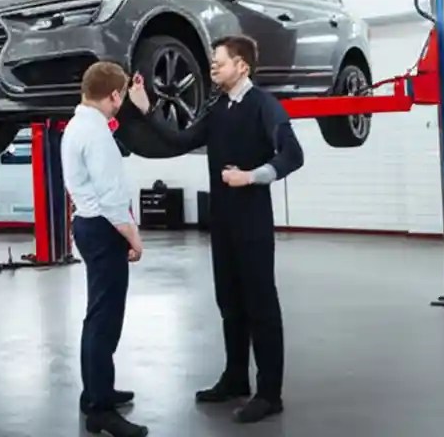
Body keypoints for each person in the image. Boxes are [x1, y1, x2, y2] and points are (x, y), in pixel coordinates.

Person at [128, 35, 303, 425]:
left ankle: (269, 394)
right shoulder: (219, 108)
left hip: (253, 221)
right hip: (221, 222)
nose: (212, 68)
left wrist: (252, 176)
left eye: (218, 63)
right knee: (230, 303)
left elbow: (293, 155)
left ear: (242, 66)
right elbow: (181, 139)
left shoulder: (264, 106)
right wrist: (148, 108)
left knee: (261, 307)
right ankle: (236, 377)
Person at [62, 60, 149, 437]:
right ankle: (100, 409)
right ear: (114, 95)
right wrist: (133, 237)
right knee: (105, 319)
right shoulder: (96, 134)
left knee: (97, 314)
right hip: (103, 227)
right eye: (121, 98)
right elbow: (111, 197)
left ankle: (96, 392)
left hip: (87, 224)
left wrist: (139, 107)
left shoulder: (77, 125)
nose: (120, 104)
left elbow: (120, 131)